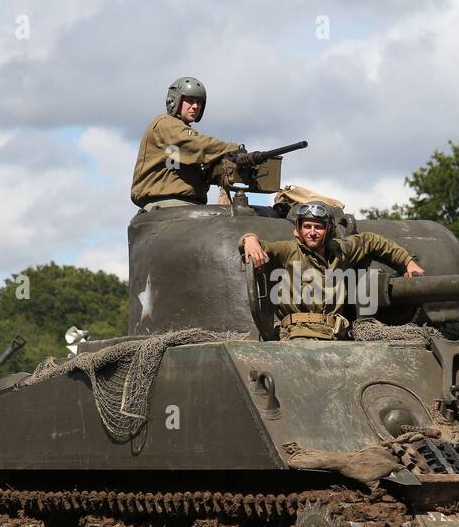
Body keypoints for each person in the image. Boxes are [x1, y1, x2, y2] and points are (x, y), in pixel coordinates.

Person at [239, 201, 426, 340]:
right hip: (296, 336)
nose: (312, 232)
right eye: (307, 226)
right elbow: (260, 245)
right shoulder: (289, 250)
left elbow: (372, 241)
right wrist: (249, 239)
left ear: (327, 229)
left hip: (335, 336)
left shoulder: (339, 252)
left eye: (318, 227)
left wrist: (407, 262)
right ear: (299, 229)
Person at [131, 77, 245, 210]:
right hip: (169, 206)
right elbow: (198, 145)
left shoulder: (177, 134)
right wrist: (234, 149)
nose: (195, 106)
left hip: (186, 206)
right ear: (175, 100)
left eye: (199, 102)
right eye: (190, 100)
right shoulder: (166, 124)